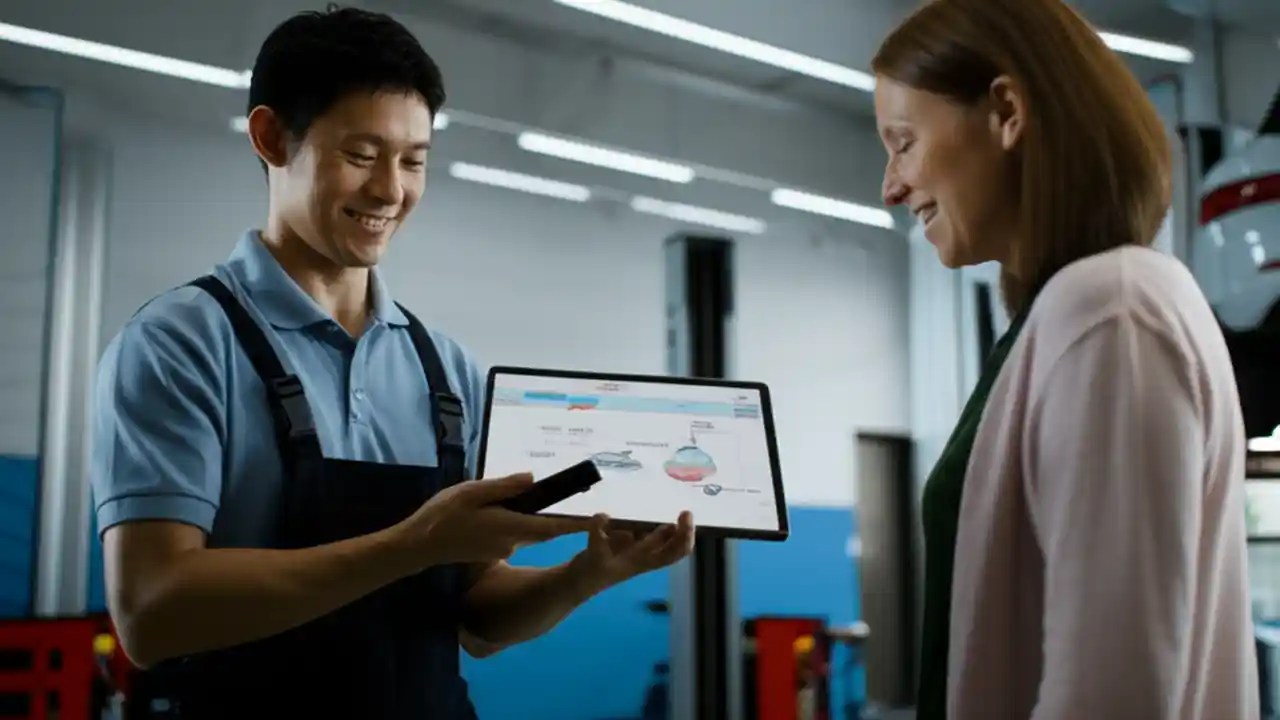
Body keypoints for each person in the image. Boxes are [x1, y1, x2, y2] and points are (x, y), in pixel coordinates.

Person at [89, 7, 694, 719]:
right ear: (272, 137)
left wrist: (587, 574)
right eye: (361, 155)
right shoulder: (181, 342)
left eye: (414, 160)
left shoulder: (448, 370)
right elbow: (152, 615)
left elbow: (477, 620)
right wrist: (411, 545)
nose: (390, 191)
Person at [871, 0, 1259, 718]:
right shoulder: (1072, 313)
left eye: (903, 142)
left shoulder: (1110, 310)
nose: (890, 186)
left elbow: (1113, 695)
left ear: (1006, 112)